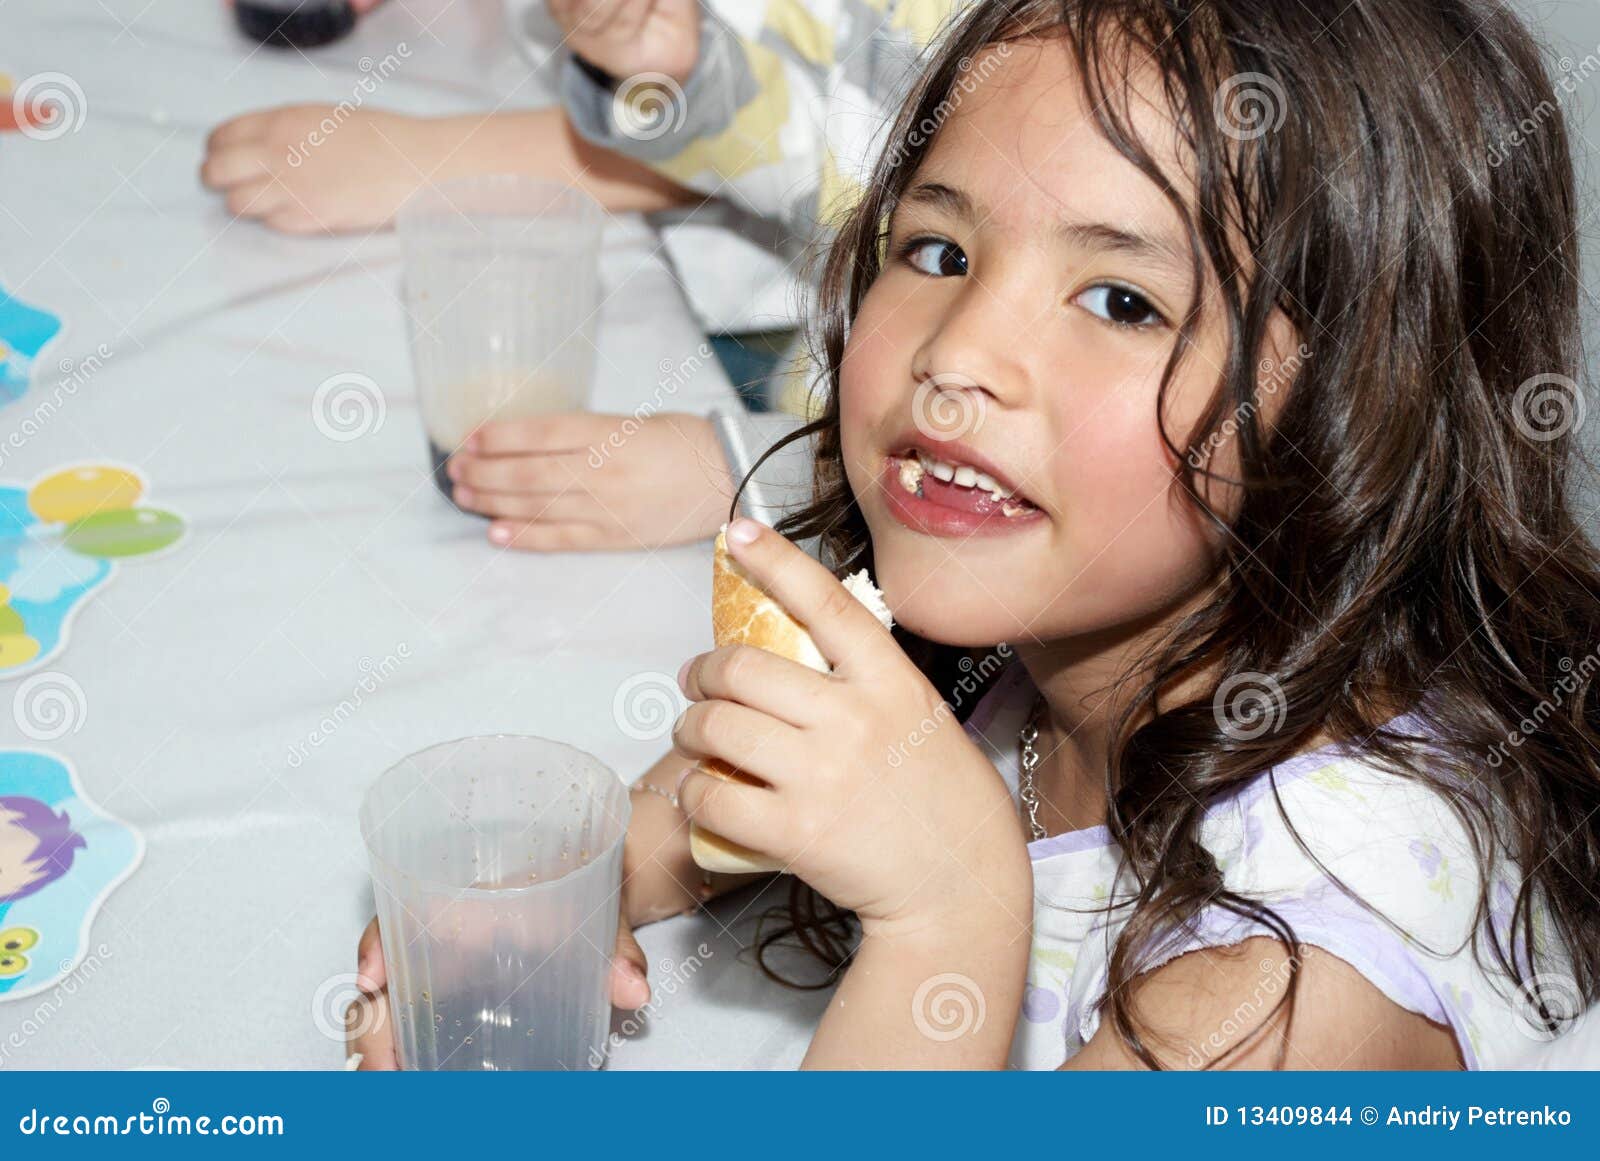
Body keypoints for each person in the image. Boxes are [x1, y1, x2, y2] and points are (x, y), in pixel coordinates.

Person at [351, 0, 1600, 1069]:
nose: (955, 355)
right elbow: (709, 802)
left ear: (1359, 415)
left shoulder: (1300, 984)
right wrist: (550, 907)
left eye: (1121, 301)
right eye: (938, 249)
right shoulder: (1017, 618)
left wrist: (949, 916)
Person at [202, 1, 972, 547]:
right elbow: (820, 139)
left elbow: (1015, 462)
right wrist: (674, 79)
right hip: (803, 432)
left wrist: (754, 470)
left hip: (812, 471)